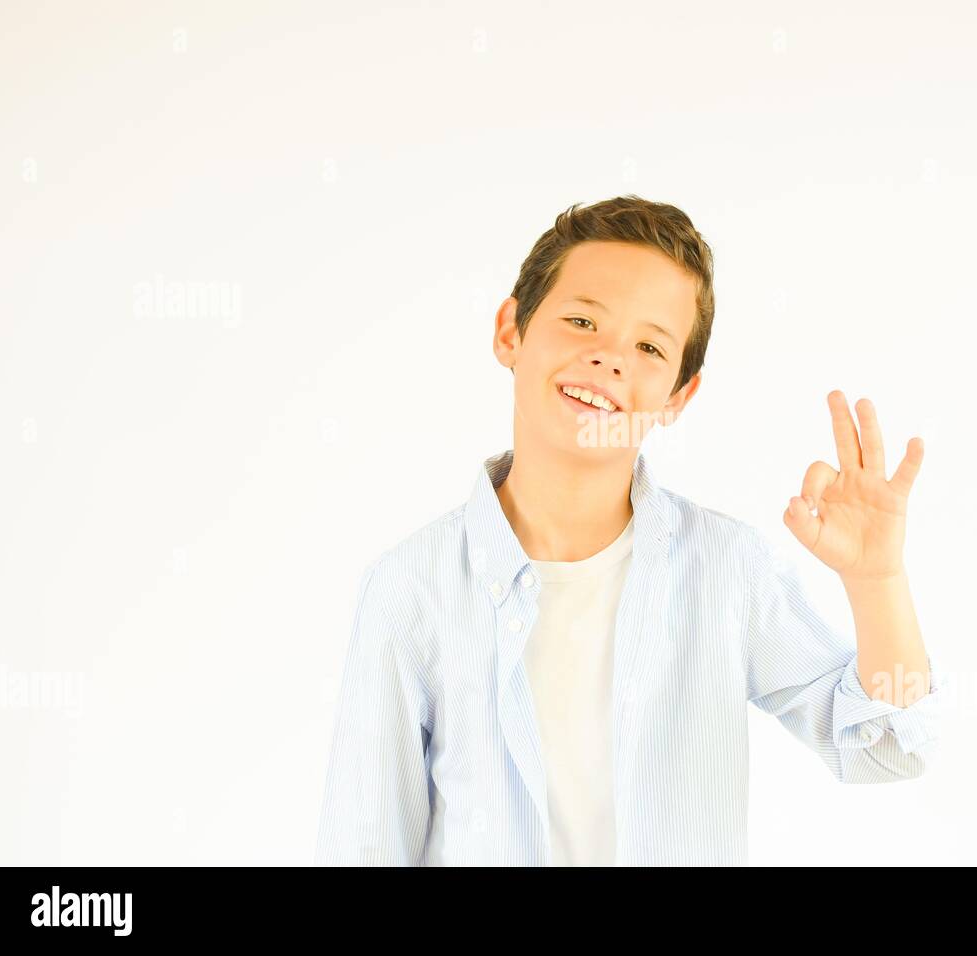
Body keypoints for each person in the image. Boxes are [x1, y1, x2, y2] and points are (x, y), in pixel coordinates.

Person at [314, 195, 941, 866]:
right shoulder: (412, 587)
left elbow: (887, 748)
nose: (610, 359)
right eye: (582, 320)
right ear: (510, 332)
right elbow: (365, 845)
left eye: (648, 346)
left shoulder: (726, 569)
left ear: (679, 394)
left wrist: (878, 584)